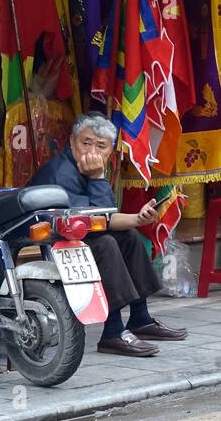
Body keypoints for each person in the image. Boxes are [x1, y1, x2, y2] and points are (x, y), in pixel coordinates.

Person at [29, 113, 187, 357]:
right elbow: (97, 223)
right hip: (50, 239)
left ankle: (140, 318)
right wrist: (98, 178)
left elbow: (103, 216)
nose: (91, 151)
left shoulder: (89, 170)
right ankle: (112, 332)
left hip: (81, 231)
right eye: (86, 143)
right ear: (71, 142)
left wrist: (137, 219)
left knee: (130, 237)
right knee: (106, 244)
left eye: (100, 146)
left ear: (111, 150)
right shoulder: (63, 172)